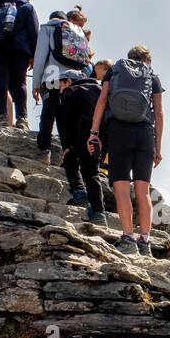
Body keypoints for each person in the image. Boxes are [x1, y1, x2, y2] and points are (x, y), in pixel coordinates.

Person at [89, 45, 165, 256]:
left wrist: (94, 132)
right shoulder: (152, 77)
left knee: (122, 188)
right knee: (142, 191)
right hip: (144, 134)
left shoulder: (116, 71)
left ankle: (128, 238)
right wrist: (158, 147)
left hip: (119, 131)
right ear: (147, 61)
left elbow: (102, 101)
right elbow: (159, 113)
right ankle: (145, 242)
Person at [55, 69, 106, 224]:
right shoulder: (101, 90)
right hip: (101, 137)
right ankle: (86, 199)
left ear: (68, 81)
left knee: (87, 171)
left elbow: (66, 122)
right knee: (91, 170)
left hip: (82, 135)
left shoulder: (71, 91)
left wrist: (68, 145)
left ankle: (97, 212)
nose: (59, 89)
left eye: (60, 84)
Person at [35, 10, 88, 152]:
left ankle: (44, 148)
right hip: (73, 78)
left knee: (48, 112)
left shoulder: (47, 28)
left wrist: (36, 83)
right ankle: (68, 151)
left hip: (52, 75)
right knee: (66, 115)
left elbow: (40, 58)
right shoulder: (75, 31)